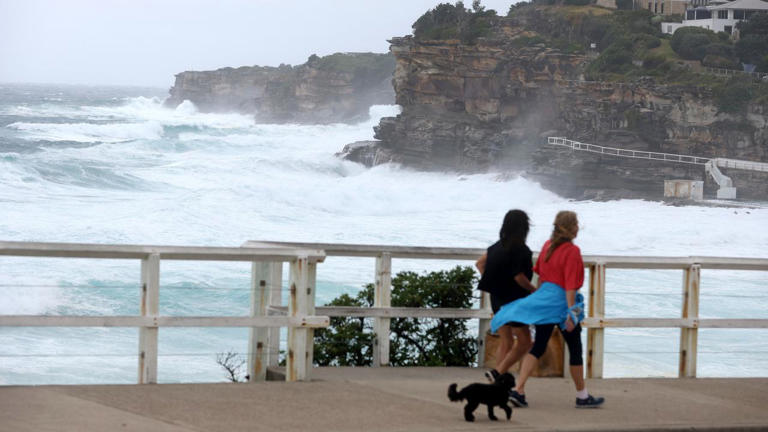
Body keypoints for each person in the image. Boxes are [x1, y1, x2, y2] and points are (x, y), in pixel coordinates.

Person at [490, 210, 604, 408]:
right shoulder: (572, 251)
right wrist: (571, 313)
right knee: (575, 349)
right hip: (561, 305)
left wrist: (538, 302)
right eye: (576, 224)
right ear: (571, 228)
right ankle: (582, 396)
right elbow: (570, 287)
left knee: (538, 345)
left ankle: (519, 390)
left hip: (545, 302)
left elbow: (541, 277)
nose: (578, 228)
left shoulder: (547, 246)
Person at [476, 209, 537, 384]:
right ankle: (497, 374)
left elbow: (480, 264)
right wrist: (534, 290)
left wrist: (495, 282)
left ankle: (496, 382)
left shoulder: (496, 247)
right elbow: (519, 277)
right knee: (525, 342)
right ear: (524, 228)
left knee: (507, 341)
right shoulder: (521, 250)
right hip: (514, 302)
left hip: (496, 299)